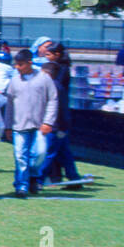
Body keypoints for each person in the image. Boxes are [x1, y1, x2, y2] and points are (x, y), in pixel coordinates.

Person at [5, 49, 57, 197]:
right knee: (20, 156)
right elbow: (9, 105)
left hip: (39, 125)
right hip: (19, 126)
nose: (17, 68)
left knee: (40, 153)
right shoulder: (14, 81)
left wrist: (48, 121)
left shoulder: (44, 78)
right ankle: (21, 185)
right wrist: (8, 126)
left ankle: (34, 176)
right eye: (16, 64)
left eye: (20, 64)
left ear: (30, 63)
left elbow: (53, 100)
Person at [41, 42, 82, 187]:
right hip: (60, 121)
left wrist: (62, 126)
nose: (46, 57)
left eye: (48, 54)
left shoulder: (59, 77)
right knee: (63, 152)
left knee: (50, 152)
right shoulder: (56, 77)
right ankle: (73, 178)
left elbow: (59, 104)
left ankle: (38, 179)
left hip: (57, 121)